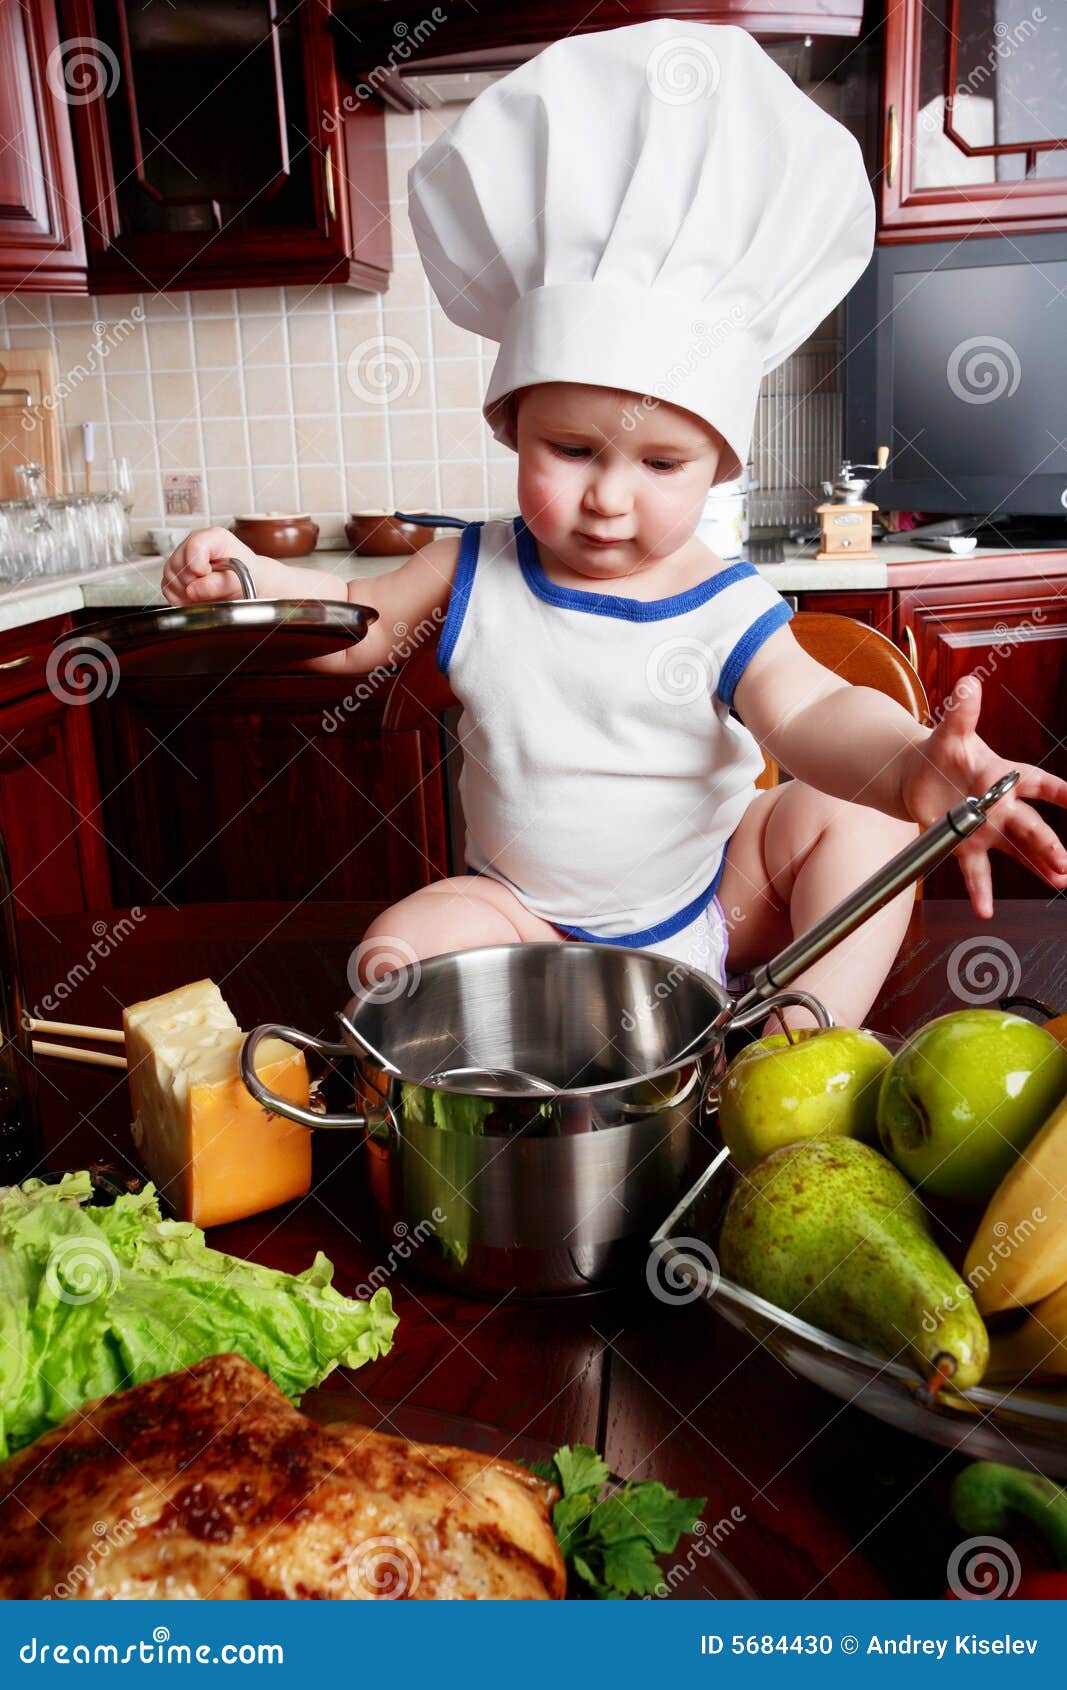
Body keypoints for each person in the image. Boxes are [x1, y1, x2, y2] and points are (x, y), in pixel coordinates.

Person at [163, 23, 1067, 1030]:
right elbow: (359, 625)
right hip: (526, 926)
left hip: (719, 908)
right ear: (510, 430)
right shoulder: (474, 562)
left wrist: (908, 766)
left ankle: (794, 1045)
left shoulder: (720, 602)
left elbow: (810, 715)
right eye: (572, 449)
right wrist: (252, 580)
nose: (607, 496)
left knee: (869, 837)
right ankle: (508, 1031)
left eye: (660, 462)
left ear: (719, 465)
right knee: (398, 946)